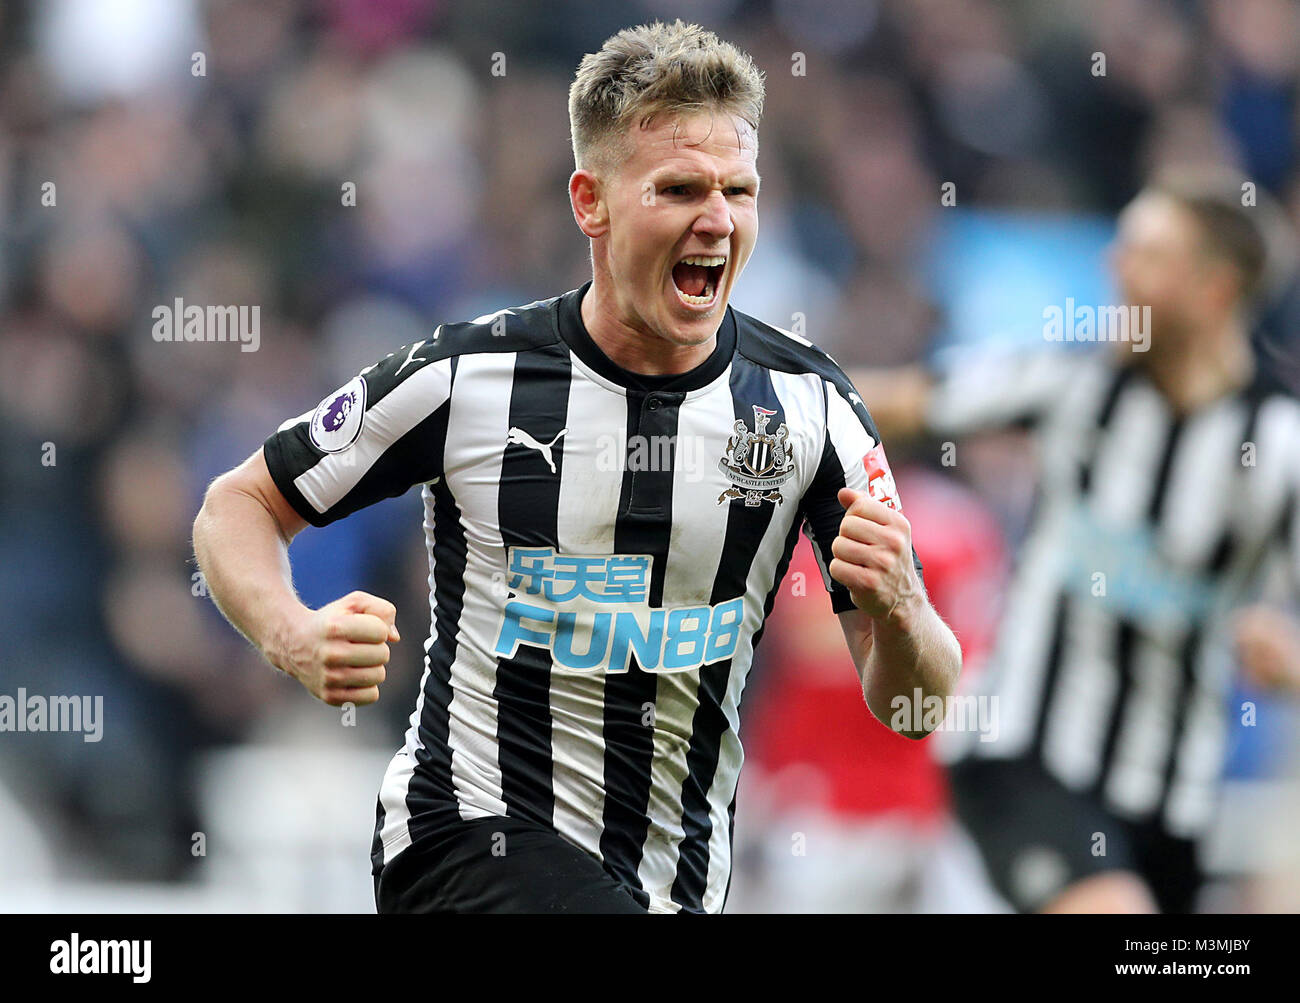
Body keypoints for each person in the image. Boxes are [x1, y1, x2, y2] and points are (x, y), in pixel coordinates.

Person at [191, 19, 961, 915]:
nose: (715, 219)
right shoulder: (469, 378)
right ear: (590, 201)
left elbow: (915, 707)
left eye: (738, 190)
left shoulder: (811, 407)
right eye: (678, 188)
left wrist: (901, 610)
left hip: (673, 883)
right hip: (464, 840)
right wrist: (291, 631)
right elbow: (239, 501)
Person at [852, 169, 1300, 913]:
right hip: (1024, 756)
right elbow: (900, 399)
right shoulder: (1070, 384)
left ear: (1214, 289)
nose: (1113, 266)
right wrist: (733, 390)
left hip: (1170, 803)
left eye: (1146, 254)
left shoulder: (1278, 447)